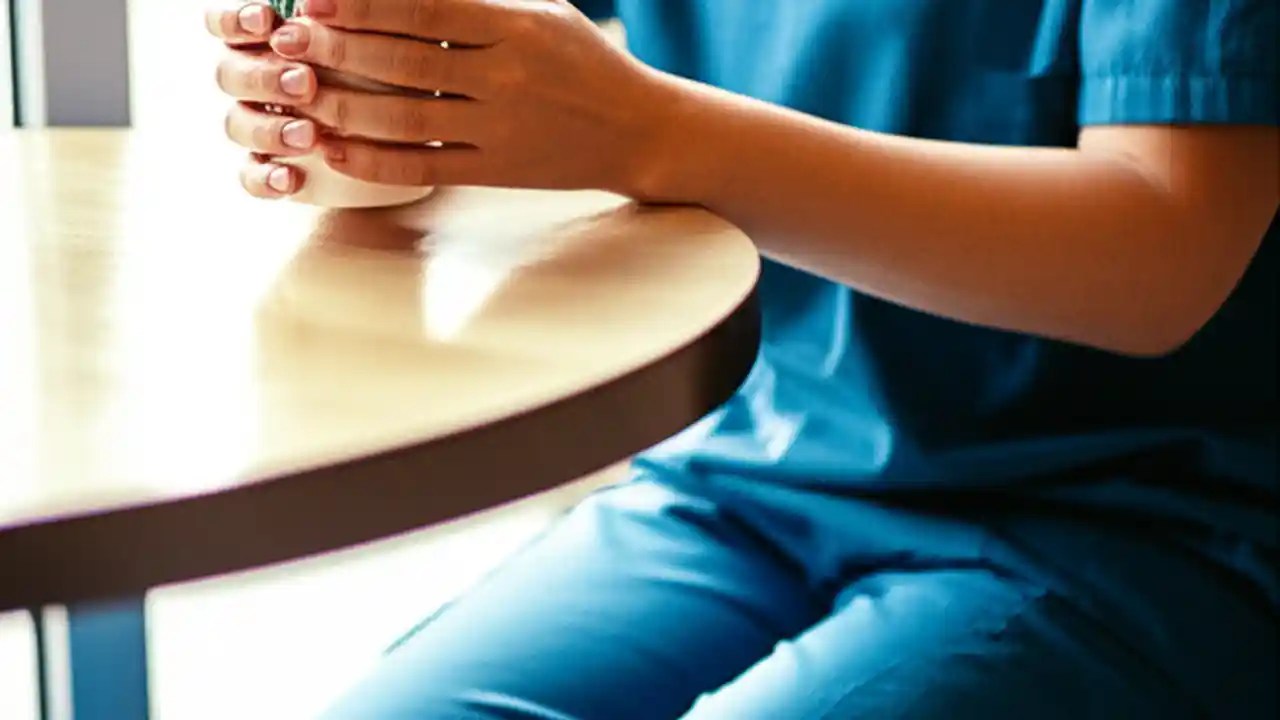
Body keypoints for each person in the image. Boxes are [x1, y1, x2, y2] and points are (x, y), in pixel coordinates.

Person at [205, 0, 1278, 717]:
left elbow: (1165, 248)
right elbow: (486, 48)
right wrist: (350, 89)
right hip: (749, 478)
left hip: (1125, 521)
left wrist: (650, 132)